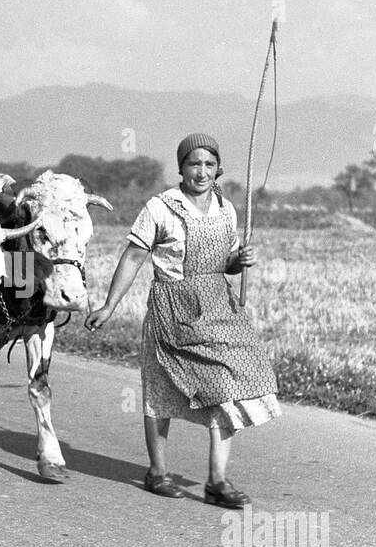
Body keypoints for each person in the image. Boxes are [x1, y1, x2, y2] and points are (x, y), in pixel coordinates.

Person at [86, 132, 280, 506]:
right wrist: (109, 306)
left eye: (209, 164)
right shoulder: (161, 208)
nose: (202, 171)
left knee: (230, 384)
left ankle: (217, 482)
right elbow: (132, 258)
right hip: (172, 309)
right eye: (194, 163)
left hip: (218, 306)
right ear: (181, 168)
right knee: (161, 392)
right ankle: (157, 473)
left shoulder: (227, 209)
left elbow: (226, 261)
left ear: (218, 169)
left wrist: (238, 263)